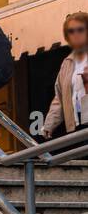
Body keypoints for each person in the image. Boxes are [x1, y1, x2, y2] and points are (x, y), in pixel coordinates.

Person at [41, 12, 88, 141]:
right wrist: (49, 125)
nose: (76, 35)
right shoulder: (68, 62)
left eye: (80, 30)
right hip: (77, 124)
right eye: (71, 31)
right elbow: (60, 97)